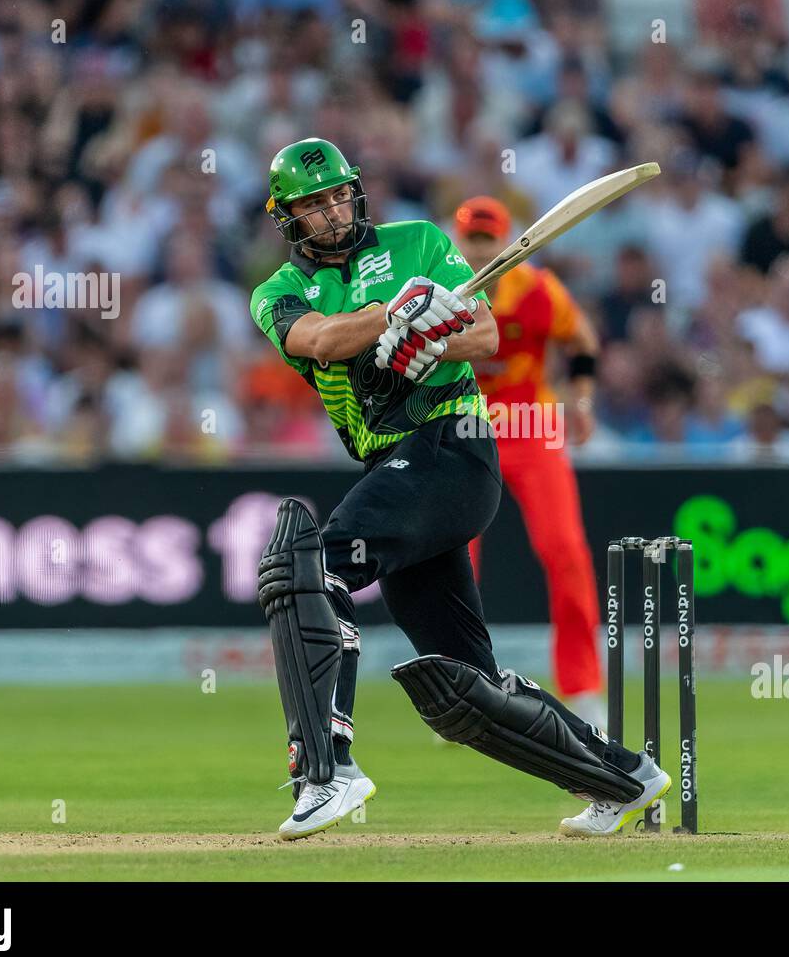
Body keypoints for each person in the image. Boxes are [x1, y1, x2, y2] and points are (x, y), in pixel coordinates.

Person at [249, 139, 671, 840]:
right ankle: (625, 778)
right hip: (395, 470)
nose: (331, 212)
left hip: (453, 450)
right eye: (312, 204)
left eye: (337, 196)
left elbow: (483, 333)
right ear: (286, 218)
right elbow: (319, 341)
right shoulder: (278, 293)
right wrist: (390, 316)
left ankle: (327, 774)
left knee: (311, 568)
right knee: (464, 692)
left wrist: (428, 340)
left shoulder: (417, 240)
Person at [452, 196, 606, 726]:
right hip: (464, 429)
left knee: (564, 550)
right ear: (457, 241)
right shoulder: (440, 292)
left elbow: (582, 341)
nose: (478, 251)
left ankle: (584, 686)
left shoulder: (539, 291)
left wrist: (581, 401)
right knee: (453, 563)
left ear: (507, 242)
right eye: (470, 240)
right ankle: (460, 689)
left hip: (531, 428)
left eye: (487, 240)